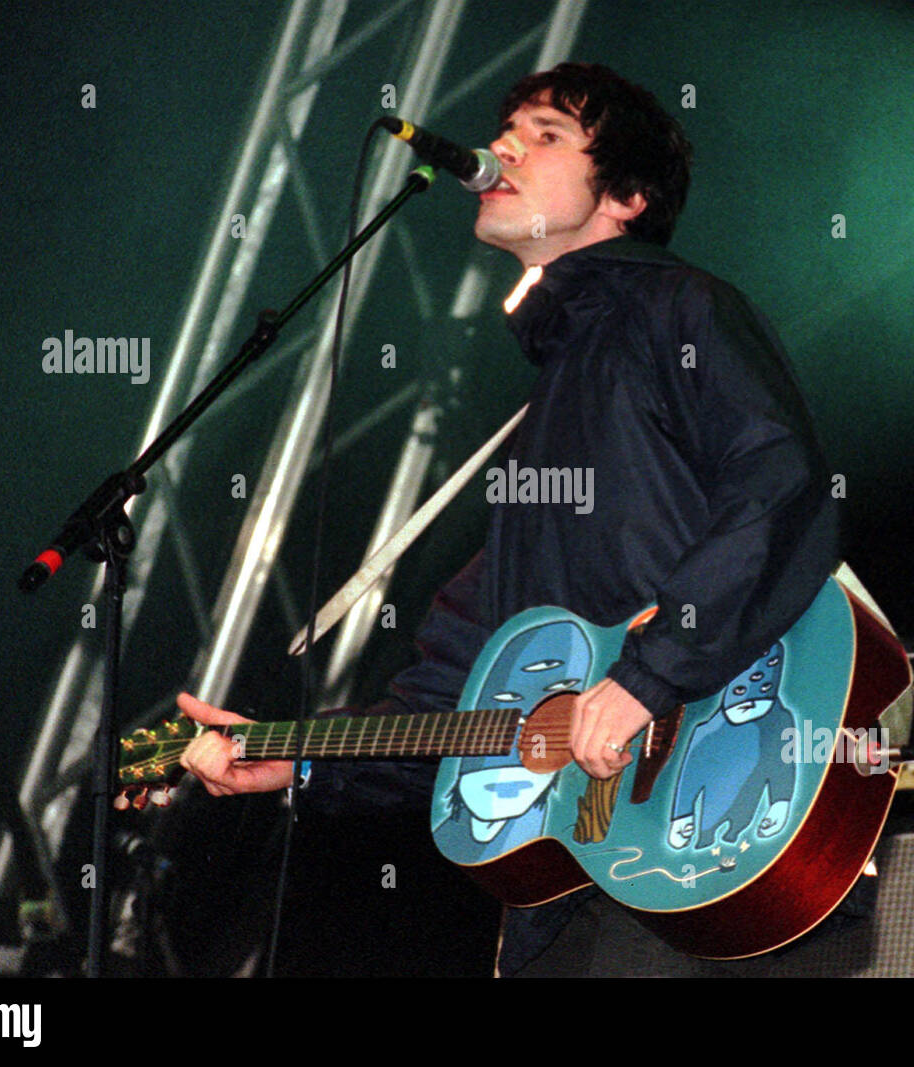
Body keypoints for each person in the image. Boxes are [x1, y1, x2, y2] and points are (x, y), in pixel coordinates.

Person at [177, 62, 846, 976]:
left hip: (700, 829)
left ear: (626, 198)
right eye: (508, 130)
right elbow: (467, 692)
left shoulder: (676, 307)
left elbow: (778, 479)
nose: (503, 147)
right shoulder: (545, 412)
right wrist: (295, 760)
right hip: (578, 885)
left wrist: (650, 677)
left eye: (546, 134)